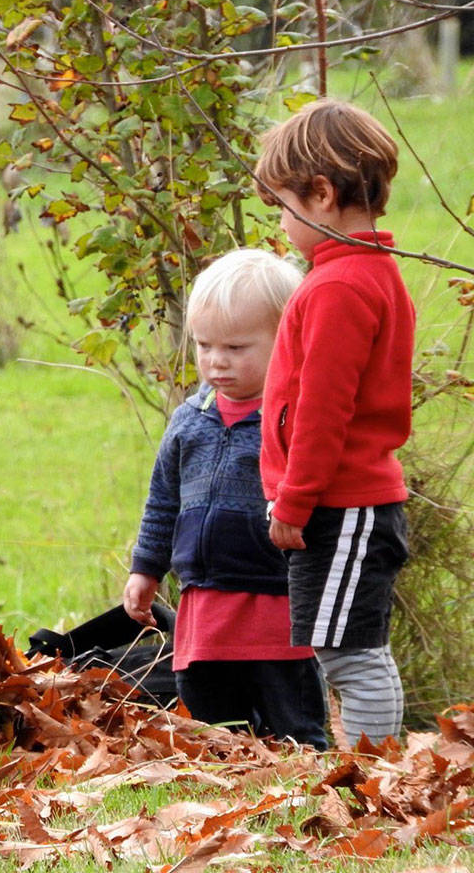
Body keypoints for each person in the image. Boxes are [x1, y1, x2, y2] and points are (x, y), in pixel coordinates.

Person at [253, 99, 414, 746]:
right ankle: (374, 773)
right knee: (346, 650)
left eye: (284, 207)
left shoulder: (339, 287)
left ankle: (371, 783)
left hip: (340, 503)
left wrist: (293, 501)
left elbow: (323, 410)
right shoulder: (362, 274)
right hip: (344, 502)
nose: (283, 225)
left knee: (349, 654)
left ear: (320, 194)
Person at [123, 250, 326, 749]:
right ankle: (230, 791)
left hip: (277, 599)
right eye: (204, 345)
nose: (216, 360)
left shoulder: (296, 419)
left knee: (292, 718)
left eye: (235, 346)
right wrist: (145, 569)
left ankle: (313, 785)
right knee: (215, 719)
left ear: (288, 340)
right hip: (205, 604)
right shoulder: (189, 420)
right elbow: (163, 502)